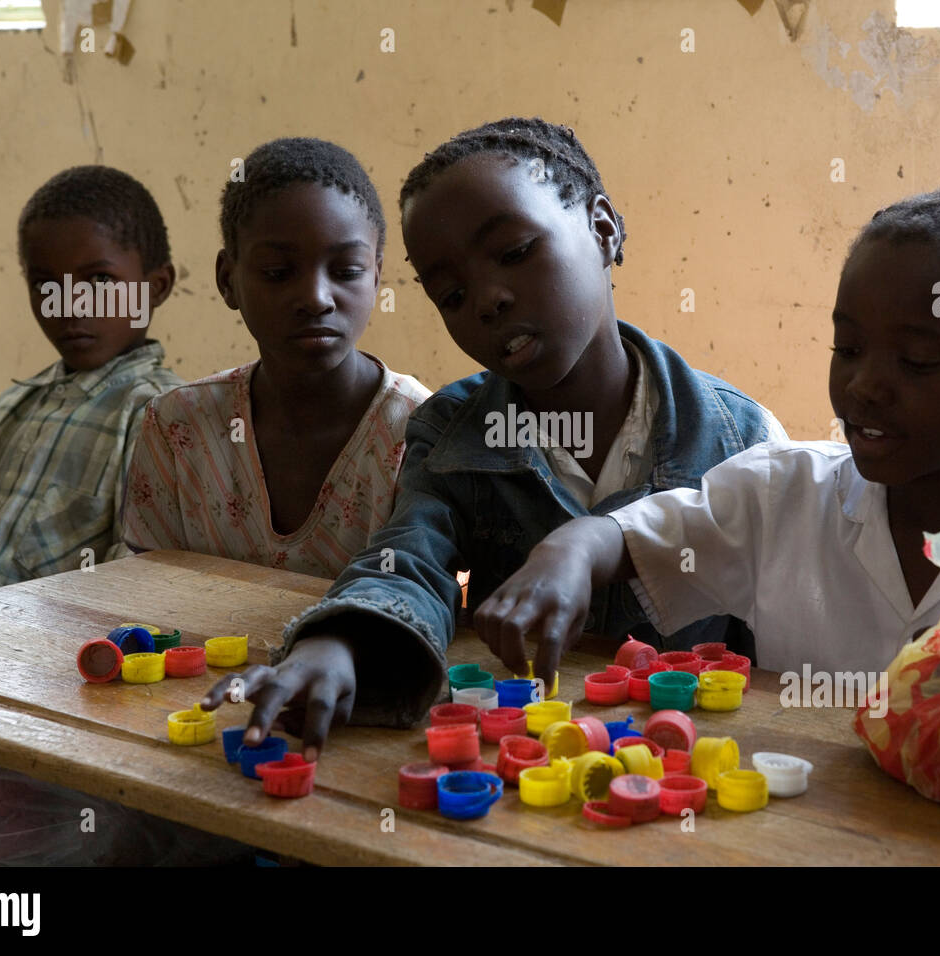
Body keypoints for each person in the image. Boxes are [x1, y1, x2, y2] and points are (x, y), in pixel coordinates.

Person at [202, 118, 786, 757]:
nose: (487, 300)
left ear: (602, 228)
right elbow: (409, 560)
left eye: (513, 253)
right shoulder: (451, 433)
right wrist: (338, 643)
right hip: (521, 769)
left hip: (694, 774)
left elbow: (781, 637)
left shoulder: (740, 438)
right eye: (450, 293)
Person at [475, 189, 940, 676]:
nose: (865, 384)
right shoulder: (782, 496)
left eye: (917, 360)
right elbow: (634, 535)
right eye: (848, 349)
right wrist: (568, 550)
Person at [122, 138, 429, 574]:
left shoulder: (418, 432)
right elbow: (150, 595)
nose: (316, 298)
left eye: (346, 272)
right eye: (278, 273)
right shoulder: (177, 427)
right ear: (228, 280)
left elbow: (423, 600)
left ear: (377, 277)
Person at [0, 166, 182, 595]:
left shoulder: (158, 415)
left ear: (157, 286)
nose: (69, 306)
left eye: (98, 280)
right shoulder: (12, 406)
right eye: (44, 284)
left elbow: (133, 594)